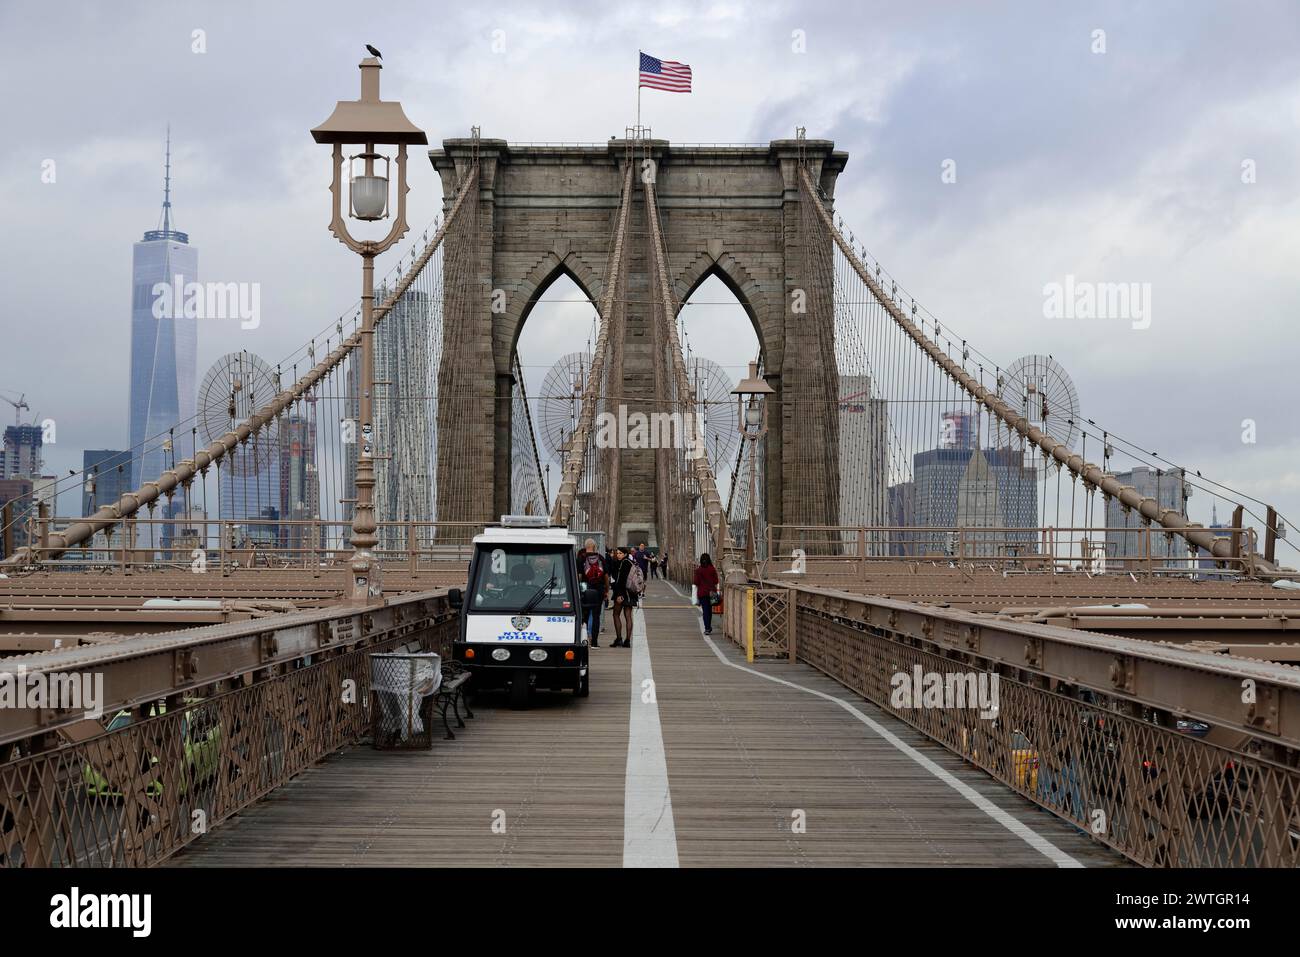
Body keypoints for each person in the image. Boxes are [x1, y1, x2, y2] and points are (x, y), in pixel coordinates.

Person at [577, 538, 608, 647]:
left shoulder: (581, 558)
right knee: (596, 615)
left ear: (585, 547)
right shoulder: (601, 558)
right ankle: (594, 642)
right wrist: (606, 590)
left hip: (585, 589)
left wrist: (578, 588)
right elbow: (606, 576)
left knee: (582, 615)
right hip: (598, 589)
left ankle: (581, 640)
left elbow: (580, 575)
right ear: (594, 546)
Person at [610, 547, 641, 647]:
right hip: (631, 593)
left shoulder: (622, 563)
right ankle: (627, 641)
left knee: (616, 614)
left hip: (622, 593)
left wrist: (619, 595)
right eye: (617, 553)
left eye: (620, 553)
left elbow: (620, 581)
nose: (618, 555)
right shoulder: (631, 563)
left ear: (625, 554)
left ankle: (619, 639)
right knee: (628, 616)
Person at [693, 552, 720, 635]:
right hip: (711, 593)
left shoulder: (698, 570)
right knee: (709, 610)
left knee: (705, 611)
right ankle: (709, 627)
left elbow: (696, 582)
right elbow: (716, 581)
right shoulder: (712, 569)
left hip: (702, 593)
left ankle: (707, 628)